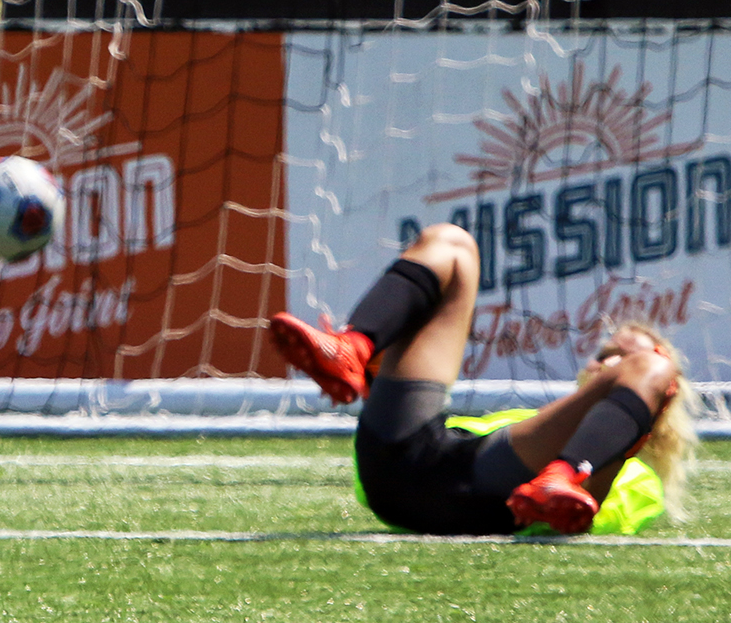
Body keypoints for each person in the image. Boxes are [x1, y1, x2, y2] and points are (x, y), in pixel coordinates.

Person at [267, 224, 696, 536]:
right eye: (606, 355)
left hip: (501, 502)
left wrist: (595, 471)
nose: (613, 363)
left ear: (660, 403)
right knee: (452, 243)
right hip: (410, 470)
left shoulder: (642, 480)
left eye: (625, 360)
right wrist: (382, 381)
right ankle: (353, 347)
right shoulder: (526, 422)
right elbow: (390, 477)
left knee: (656, 364)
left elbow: (590, 522)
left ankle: (563, 477)